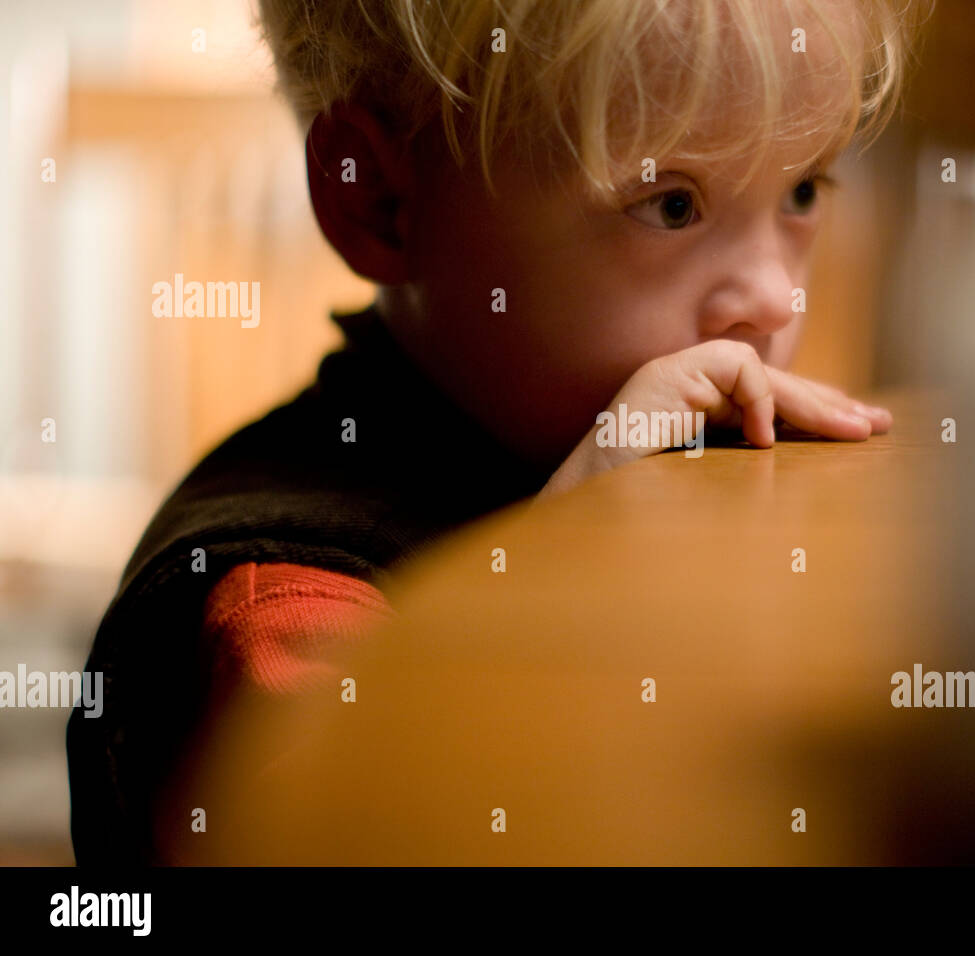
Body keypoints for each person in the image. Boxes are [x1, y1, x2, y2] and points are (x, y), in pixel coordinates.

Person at [68, 0, 916, 864]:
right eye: (670, 205)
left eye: (803, 189)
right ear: (383, 202)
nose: (777, 296)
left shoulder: (653, 460)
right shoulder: (286, 607)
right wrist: (574, 563)